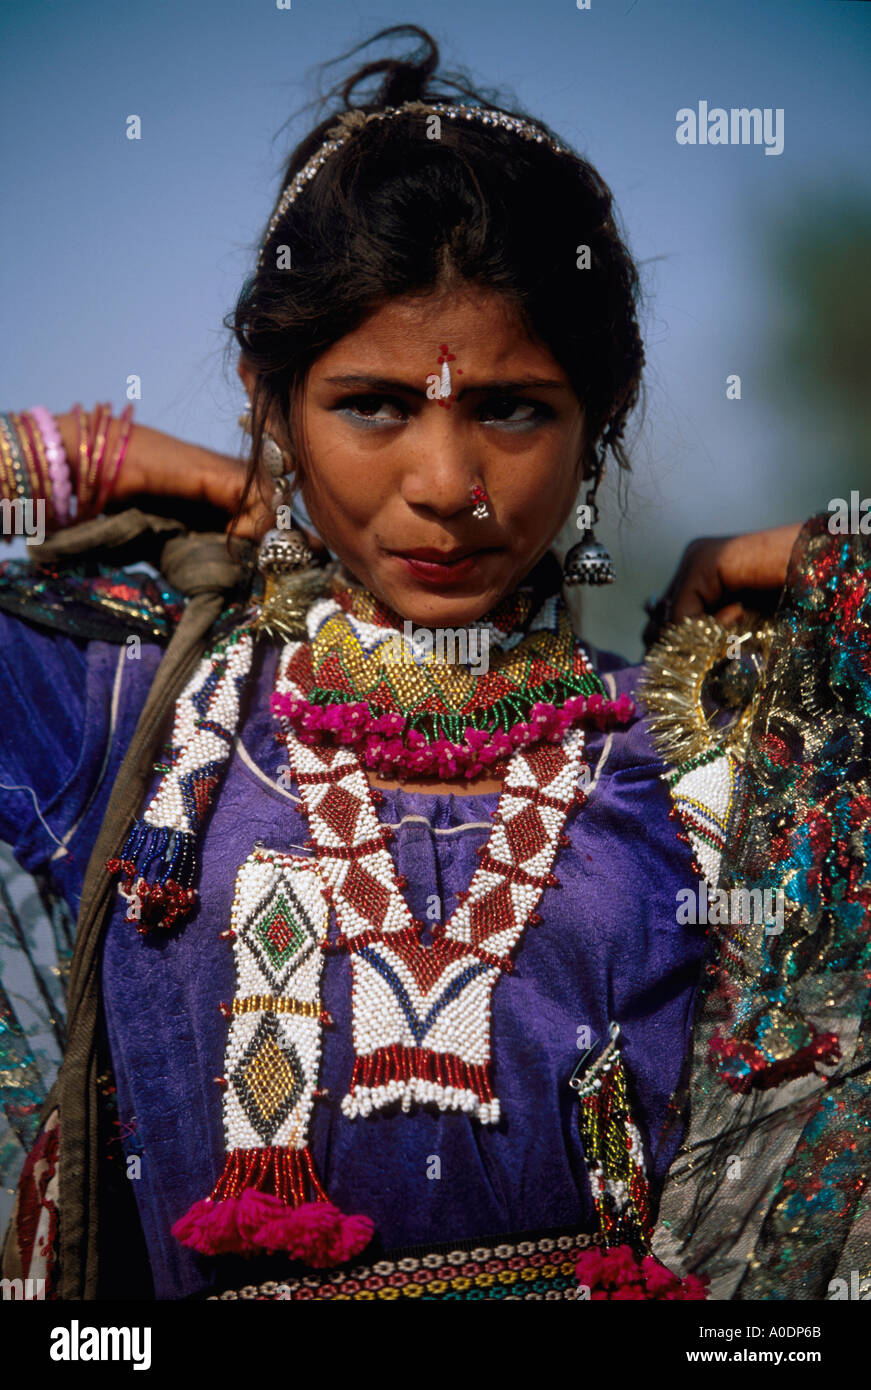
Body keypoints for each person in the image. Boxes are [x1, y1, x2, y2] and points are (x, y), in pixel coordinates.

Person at [0, 26, 864, 1302]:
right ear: (269, 396)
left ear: (603, 409)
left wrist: (827, 554)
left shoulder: (701, 751)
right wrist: (115, 466)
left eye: (514, 407)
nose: (449, 486)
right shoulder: (135, 711)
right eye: (372, 405)